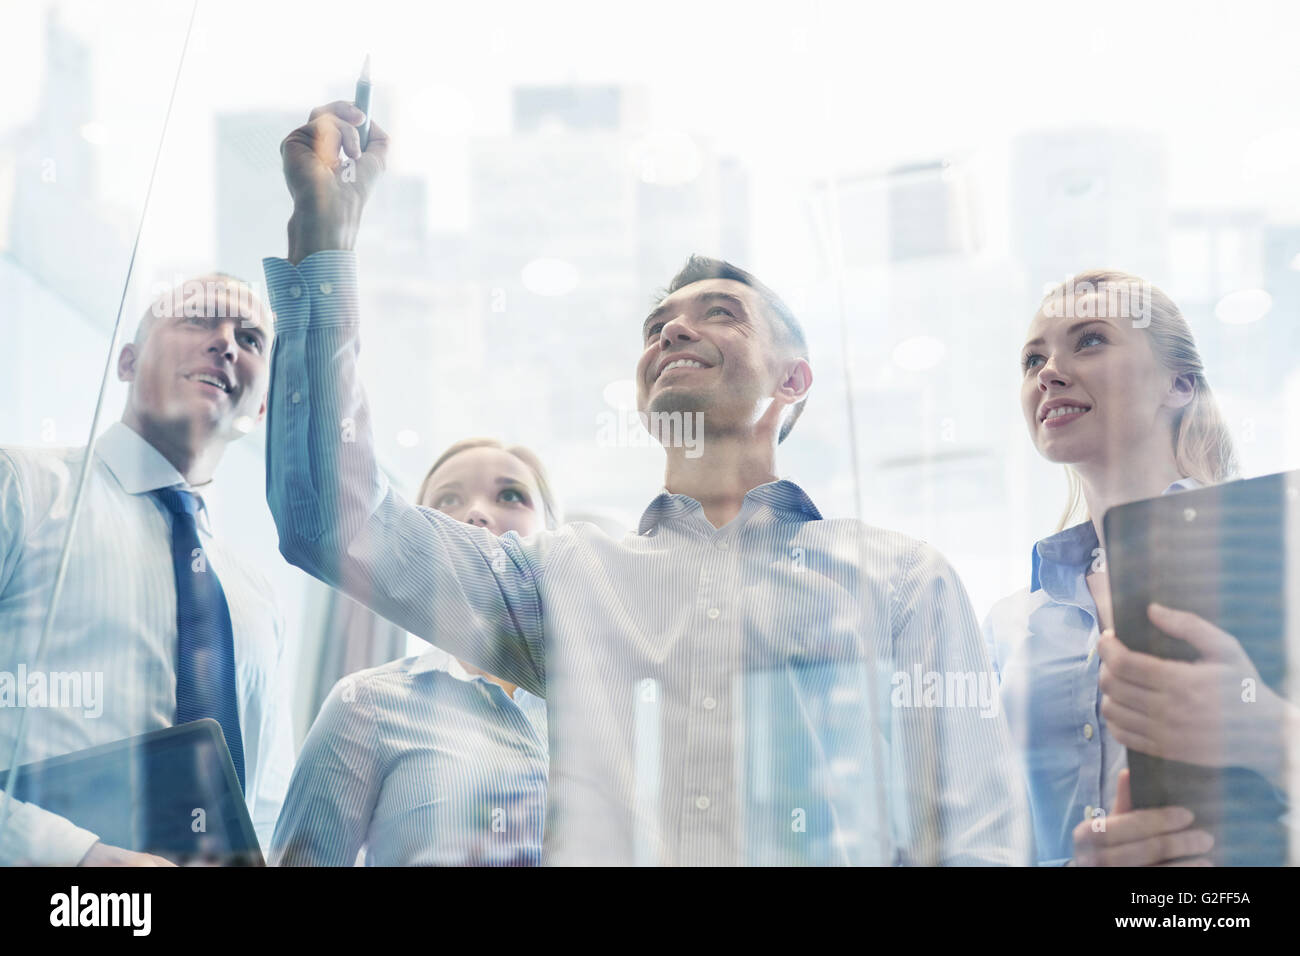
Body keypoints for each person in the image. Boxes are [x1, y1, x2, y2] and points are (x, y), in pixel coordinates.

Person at [262, 101, 1031, 865]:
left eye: (720, 313)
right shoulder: (564, 582)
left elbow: (976, 846)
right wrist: (323, 242)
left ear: (793, 379)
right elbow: (333, 521)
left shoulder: (903, 582)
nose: (672, 331)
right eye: (657, 325)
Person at [984, 269, 1297, 866]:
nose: (1047, 371)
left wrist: (1271, 735)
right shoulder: (1008, 627)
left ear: (1178, 385)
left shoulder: (1278, 562)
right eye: (1031, 360)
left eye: (1091, 339)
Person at [0, 274, 292, 866]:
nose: (226, 343)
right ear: (128, 361)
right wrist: (77, 858)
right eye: (196, 319)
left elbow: (266, 804)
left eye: (252, 338)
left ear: (260, 407)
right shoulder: (20, 491)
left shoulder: (256, 599)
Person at [270, 438, 553, 866]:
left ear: (555, 535)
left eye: (511, 495)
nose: (477, 512)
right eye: (447, 499)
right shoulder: (365, 705)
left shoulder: (608, 709)